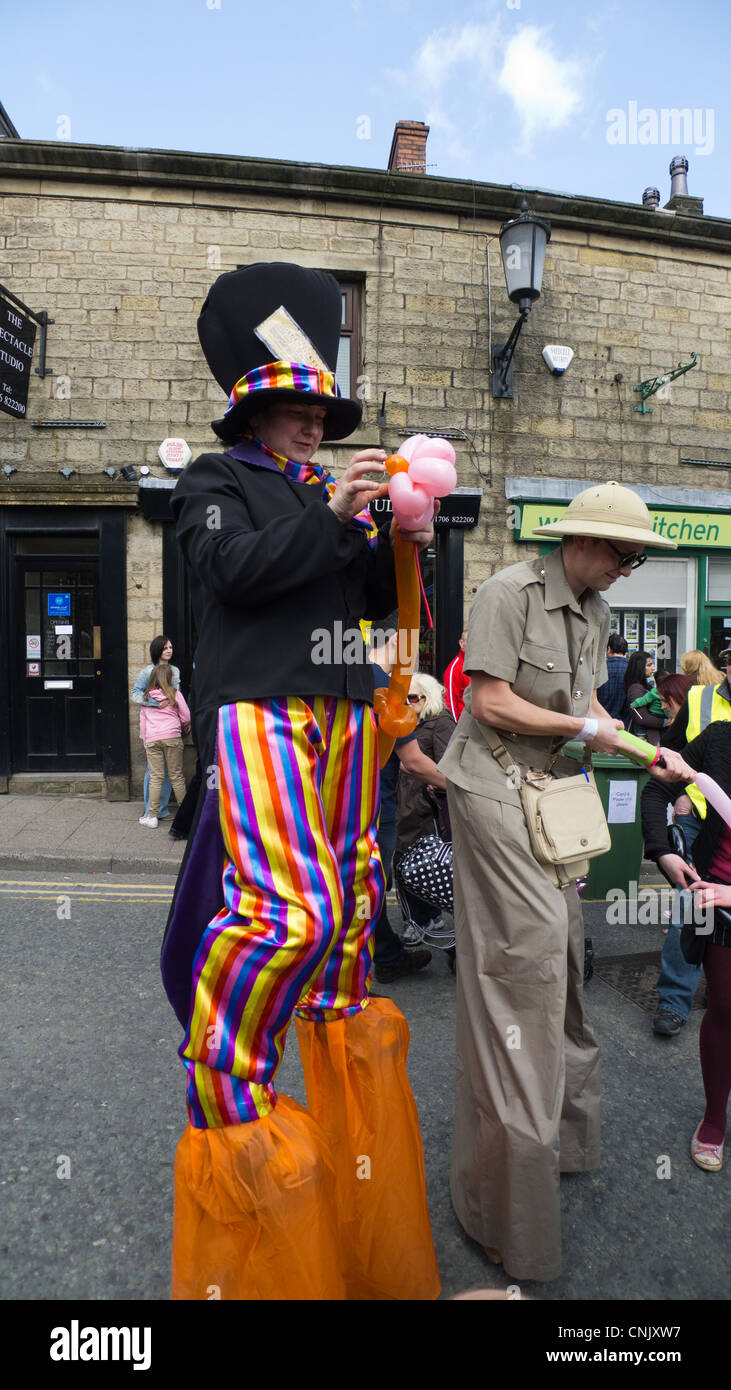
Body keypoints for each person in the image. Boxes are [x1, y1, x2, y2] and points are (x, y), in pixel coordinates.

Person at [160, 262, 440, 1301]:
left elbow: (395, 612)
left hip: (339, 711)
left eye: (324, 411)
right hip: (257, 706)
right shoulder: (210, 485)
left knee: (347, 924)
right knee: (288, 912)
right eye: (301, 410)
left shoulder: (325, 498)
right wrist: (331, 511)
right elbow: (233, 573)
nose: (317, 423)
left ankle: (343, 1182)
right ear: (260, 412)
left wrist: (406, 536)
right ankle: (223, 1082)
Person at [439, 480, 677, 1281]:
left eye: (637, 557)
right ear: (581, 541)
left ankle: (558, 1153)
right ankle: (500, 1204)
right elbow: (492, 702)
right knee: (521, 975)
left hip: (548, 796)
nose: (629, 567)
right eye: (623, 552)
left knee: (563, 965)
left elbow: (589, 721)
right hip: (491, 788)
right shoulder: (507, 592)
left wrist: (651, 754)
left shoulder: (597, 610)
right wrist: (587, 728)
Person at [641, 729, 731, 1172]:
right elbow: (658, 785)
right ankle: (714, 1118)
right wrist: (662, 851)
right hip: (718, 902)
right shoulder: (719, 738)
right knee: (726, 1011)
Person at [650, 656, 731, 1035]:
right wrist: (681, 792)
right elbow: (668, 756)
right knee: (691, 905)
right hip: (698, 818)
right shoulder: (701, 700)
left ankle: (718, 986)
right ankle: (675, 1001)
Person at [369, 632, 444, 984]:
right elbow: (413, 761)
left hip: (339, 803)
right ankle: (373, 962)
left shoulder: (349, 677)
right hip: (376, 808)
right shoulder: (386, 690)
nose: (413, 660)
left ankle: (386, 954)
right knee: (368, 886)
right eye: (411, 649)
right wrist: (462, 787)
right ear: (396, 645)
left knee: (358, 885)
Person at [394, 673, 455, 949]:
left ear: (427, 698)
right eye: (403, 698)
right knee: (404, 864)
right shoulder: (404, 723)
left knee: (419, 863)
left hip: (425, 808)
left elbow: (450, 764)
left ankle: (419, 921)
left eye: (413, 698)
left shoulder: (440, 723)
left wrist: (426, 775)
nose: (407, 703)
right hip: (403, 805)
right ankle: (422, 918)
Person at [131, 636, 181, 820]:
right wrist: (153, 702)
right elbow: (135, 693)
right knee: (153, 772)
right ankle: (150, 810)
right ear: (157, 650)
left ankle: (162, 809)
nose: (169, 650)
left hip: (170, 726)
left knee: (168, 771)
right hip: (153, 728)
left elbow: (177, 696)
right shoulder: (147, 672)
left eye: (170, 647)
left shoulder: (175, 670)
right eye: (165, 647)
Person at [138, 666, 191, 828]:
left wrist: (146, 740)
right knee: (176, 776)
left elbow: (143, 722)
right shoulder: (175, 693)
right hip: (172, 737)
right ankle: (186, 815)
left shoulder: (147, 697)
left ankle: (152, 817)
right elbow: (186, 715)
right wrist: (184, 725)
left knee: (156, 777)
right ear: (169, 678)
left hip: (152, 739)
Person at [624, 650, 665, 744]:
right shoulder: (635, 688)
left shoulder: (644, 686)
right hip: (645, 738)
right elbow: (641, 717)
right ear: (640, 667)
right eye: (649, 665)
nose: (653, 668)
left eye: (653, 664)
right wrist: (664, 721)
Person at [596, 632, 628, 719]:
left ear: (609, 649)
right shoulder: (631, 669)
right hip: (624, 722)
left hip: (601, 719)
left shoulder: (599, 668)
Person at [443, 631, 470, 721]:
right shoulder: (455, 668)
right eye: (469, 641)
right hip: (463, 725)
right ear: (461, 643)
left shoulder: (478, 666)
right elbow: (450, 701)